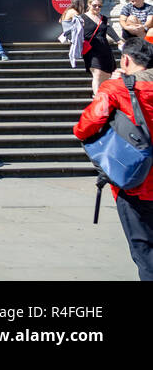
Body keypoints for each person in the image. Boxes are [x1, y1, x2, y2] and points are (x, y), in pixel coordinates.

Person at [73, 39, 153, 280]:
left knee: (144, 248)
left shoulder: (116, 88)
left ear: (126, 60)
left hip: (134, 180)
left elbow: (85, 126)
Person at [82, 0, 117, 96]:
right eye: (94, 5)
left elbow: (109, 30)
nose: (97, 8)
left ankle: (102, 95)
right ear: (89, 5)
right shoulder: (82, 18)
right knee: (97, 73)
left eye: (99, 6)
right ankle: (97, 98)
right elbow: (74, 32)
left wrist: (118, 40)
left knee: (106, 74)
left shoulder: (103, 18)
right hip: (91, 50)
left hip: (104, 49)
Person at [60, 0, 88, 69]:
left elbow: (60, 21)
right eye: (82, 3)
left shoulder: (67, 11)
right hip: (71, 35)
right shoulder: (74, 12)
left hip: (67, 34)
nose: (83, 4)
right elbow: (83, 23)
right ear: (79, 3)